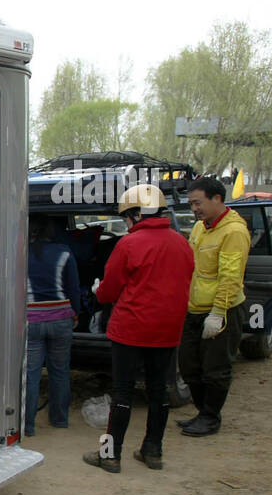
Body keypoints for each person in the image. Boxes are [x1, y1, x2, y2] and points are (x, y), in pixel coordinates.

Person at [83, 184, 194, 472]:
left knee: (123, 393)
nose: (126, 223)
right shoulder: (182, 243)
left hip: (131, 330)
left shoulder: (129, 244)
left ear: (135, 214)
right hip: (168, 331)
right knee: (159, 391)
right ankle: (152, 451)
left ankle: (110, 455)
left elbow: (109, 291)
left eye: (126, 218)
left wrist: (98, 290)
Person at [176, 176, 251, 437]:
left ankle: (210, 417)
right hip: (194, 309)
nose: (194, 209)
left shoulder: (234, 232)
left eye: (198, 203)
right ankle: (202, 411)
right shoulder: (200, 228)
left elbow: (230, 277)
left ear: (217, 199)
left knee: (215, 368)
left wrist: (218, 313)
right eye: (191, 204)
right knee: (189, 365)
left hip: (223, 310)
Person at [24, 215, 81, 436]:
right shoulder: (64, 252)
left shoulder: (21, 253)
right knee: (60, 371)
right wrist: (74, 315)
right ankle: (59, 420)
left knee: (32, 374)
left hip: (32, 321)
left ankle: (28, 426)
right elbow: (74, 289)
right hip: (61, 320)